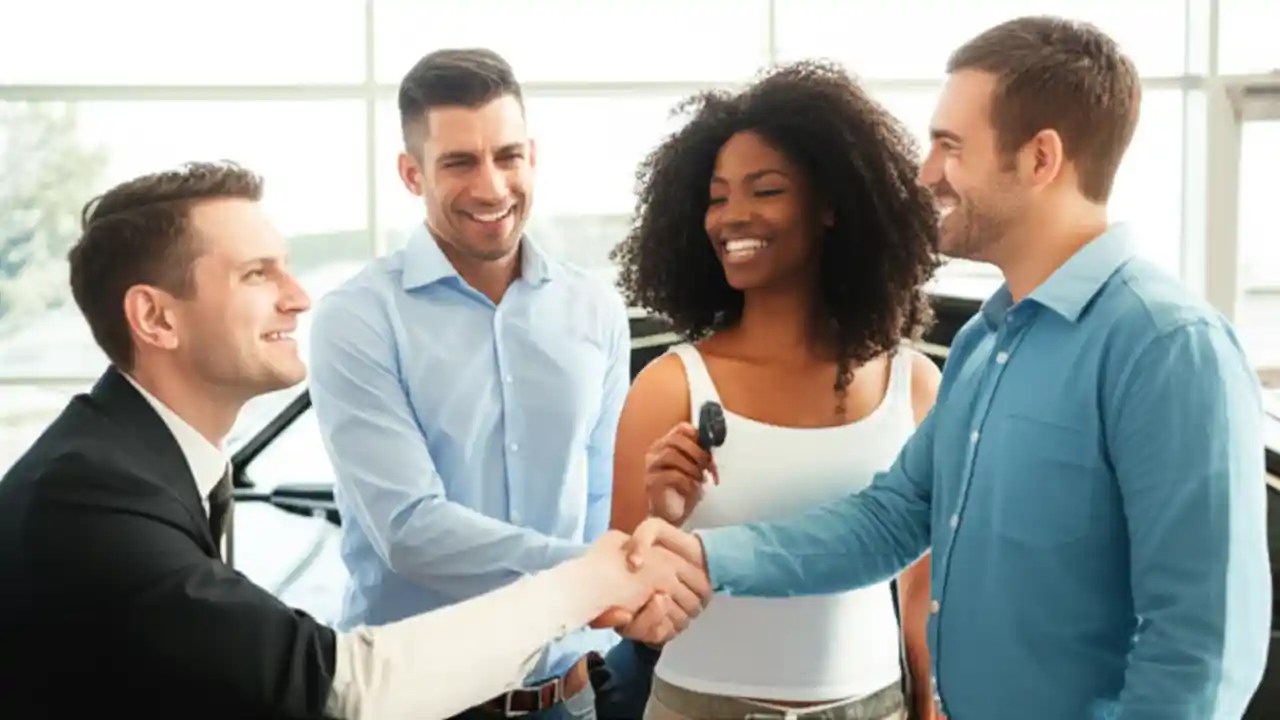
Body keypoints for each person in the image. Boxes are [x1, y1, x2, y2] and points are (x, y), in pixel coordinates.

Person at [622, 16, 1272, 720]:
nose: (927, 172)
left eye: (949, 146)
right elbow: (892, 520)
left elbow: (1200, 655)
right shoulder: (988, 342)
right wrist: (708, 557)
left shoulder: (1166, 345)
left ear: (1039, 158)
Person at [0, 161, 709, 720]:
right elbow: (338, 688)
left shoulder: (132, 458)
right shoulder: (90, 493)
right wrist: (590, 579)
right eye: (257, 274)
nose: (299, 296)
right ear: (155, 318)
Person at [307, 48, 646, 719]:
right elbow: (409, 530)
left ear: (533, 156)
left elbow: (604, 500)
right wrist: (596, 571)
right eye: (459, 162)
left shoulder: (596, 311)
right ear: (412, 173)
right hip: (416, 705)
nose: (492, 187)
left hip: (566, 699)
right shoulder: (356, 320)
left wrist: (626, 557)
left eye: (508, 156)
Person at [608, 60, 942, 720]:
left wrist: (927, 708)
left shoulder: (914, 384)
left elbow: (921, 598)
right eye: (717, 195)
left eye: (764, 190)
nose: (733, 216)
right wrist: (663, 519)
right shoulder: (671, 386)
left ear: (829, 206)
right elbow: (624, 609)